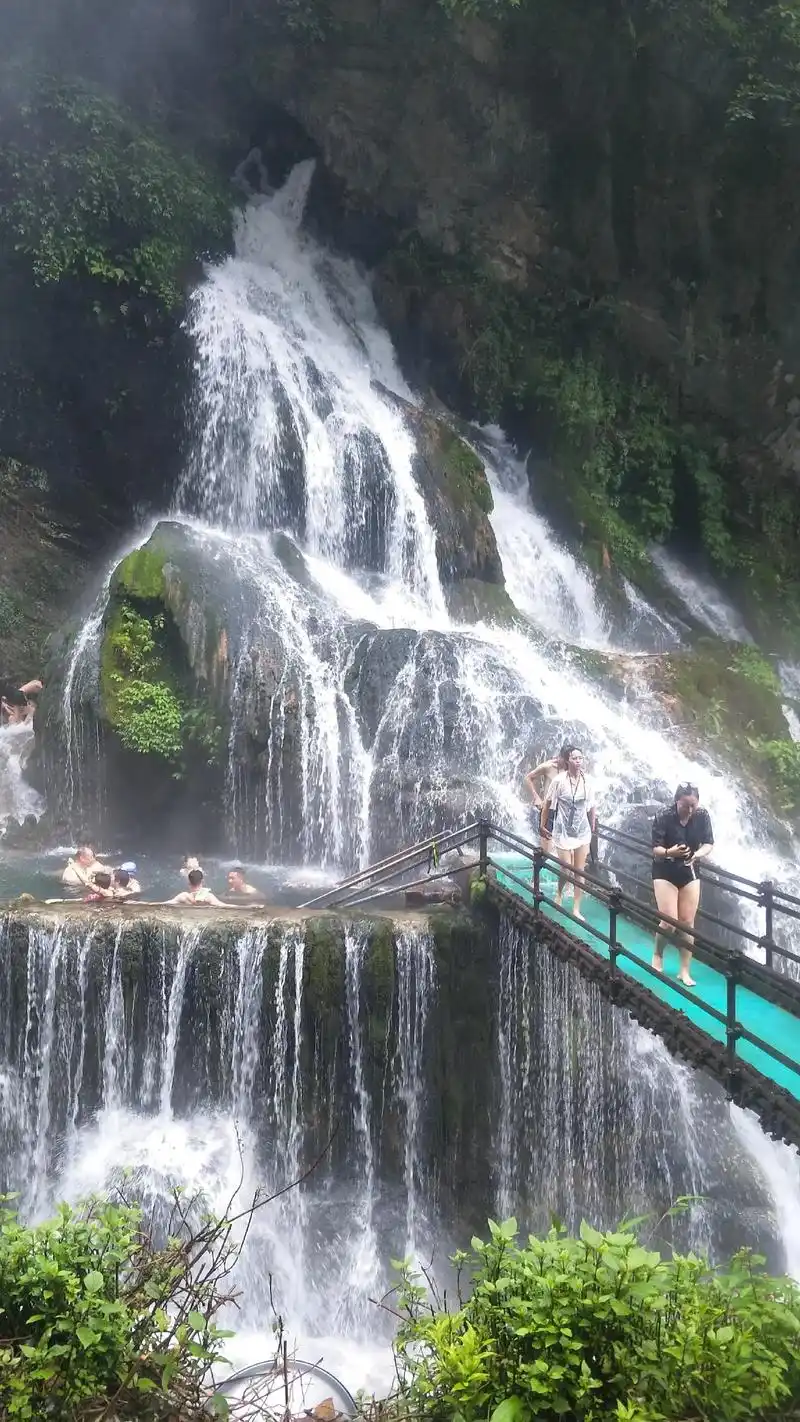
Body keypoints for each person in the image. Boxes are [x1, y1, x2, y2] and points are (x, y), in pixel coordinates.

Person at [651, 783, 714, 988]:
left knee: (687, 923)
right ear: (677, 801)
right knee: (669, 920)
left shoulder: (702, 816)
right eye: (685, 805)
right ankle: (658, 954)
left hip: (689, 869)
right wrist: (671, 852)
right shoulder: (664, 816)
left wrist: (696, 855)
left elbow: (708, 843)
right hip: (665, 869)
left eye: (693, 805)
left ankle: (684, 970)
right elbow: (656, 849)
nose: (689, 809)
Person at [541, 746, 597, 920]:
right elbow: (547, 802)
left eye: (580, 758)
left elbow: (592, 805)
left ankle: (576, 908)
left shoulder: (588, 781)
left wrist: (592, 824)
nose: (578, 761)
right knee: (566, 868)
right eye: (574, 758)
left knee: (579, 871)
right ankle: (559, 892)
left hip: (581, 830)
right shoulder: (559, 781)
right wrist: (543, 825)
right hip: (562, 829)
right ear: (567, 761)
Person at [525, 743, 571, 842]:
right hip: (548, 809)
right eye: (565, 760)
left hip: (565, 811)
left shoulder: (571, 769)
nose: (567, 764)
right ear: (560, 756)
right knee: (547, 842)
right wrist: (536, 797)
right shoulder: (548, 767)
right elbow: (528, 778)